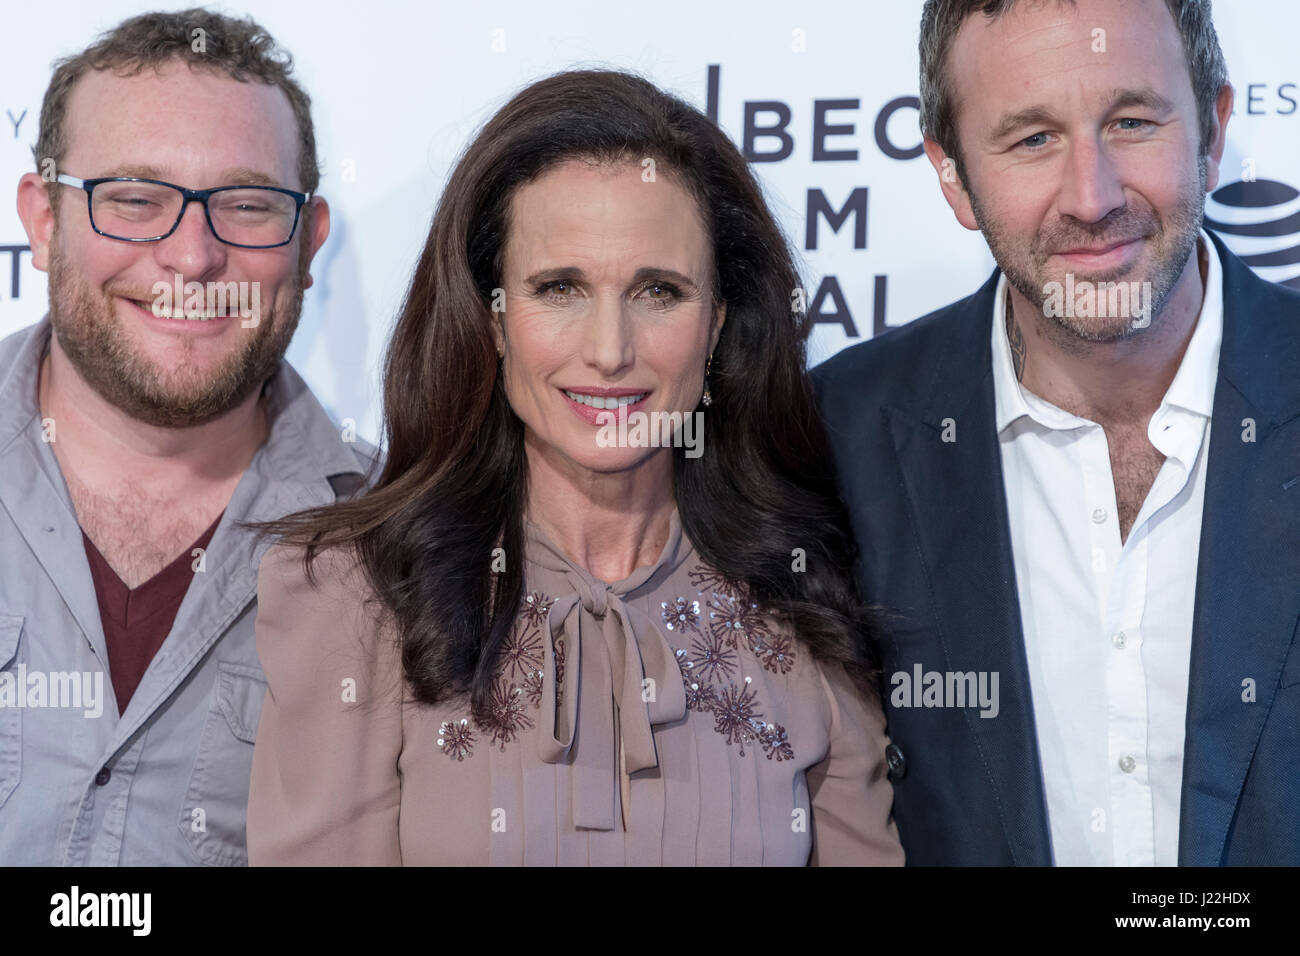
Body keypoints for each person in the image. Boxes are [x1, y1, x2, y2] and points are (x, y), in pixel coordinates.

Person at [247, 68, 903, 866]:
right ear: (490, 319)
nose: (609, 350)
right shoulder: (359, 595)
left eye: (658, 291)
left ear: (718, 323)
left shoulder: (803, 597)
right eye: (559, 288)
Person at [816, 0, 1300, 865]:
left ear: (1214, 129)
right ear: (952, 175)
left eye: (1132, 120)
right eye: (1032, 138)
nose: (1093, 196)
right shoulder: (835, 440)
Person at [1, 9, 374, 865]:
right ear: (46, 219)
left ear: (309, 241)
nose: (193, 256)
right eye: (135, 199)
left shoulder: (406, 545)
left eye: (246, 204)